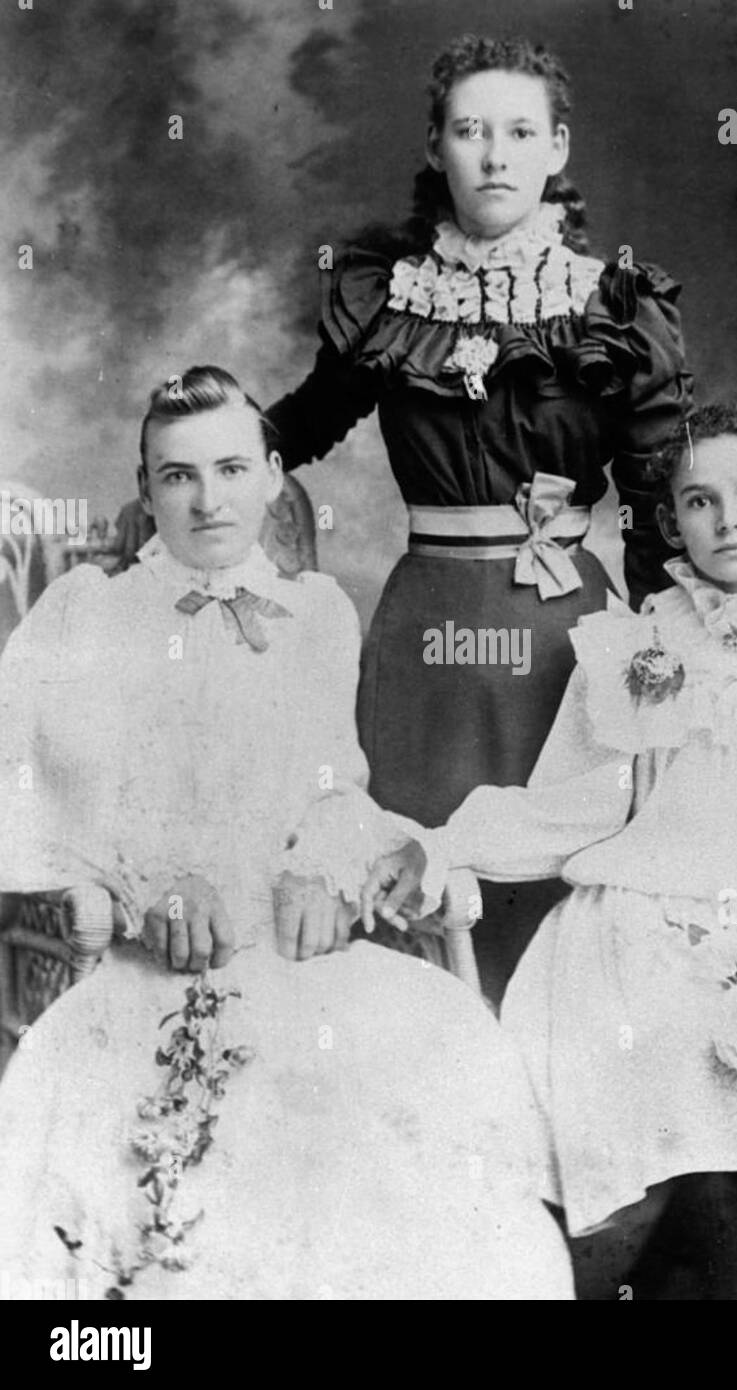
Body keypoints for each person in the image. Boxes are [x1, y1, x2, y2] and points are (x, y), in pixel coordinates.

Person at [117, 34, 692, 1004]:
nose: (495, 155)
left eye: (519, 131)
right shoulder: (391, 293)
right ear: (436, 147)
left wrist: (664, 658)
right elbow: (300, 423)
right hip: (423, 637)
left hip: (568, 643)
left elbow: (658, 502)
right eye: (471, 130)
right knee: (409, 902)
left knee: (555, 911)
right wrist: (187, 482)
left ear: (558, 148)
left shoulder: (612, 305)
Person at [0, 367, 574, 1301]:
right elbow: (31, 794)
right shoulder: (91, 616)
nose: (206, 497)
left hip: (300, 951)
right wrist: (145, 890)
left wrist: (332, 870)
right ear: (147, 493)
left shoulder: (317, 615)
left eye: (230, 469)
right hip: (159, 962)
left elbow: (333, 789)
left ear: (273, 475)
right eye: (176, 475)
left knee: (395, 1114)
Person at [377, 402, 737, 1298]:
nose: (726, 519)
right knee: (666, 1031)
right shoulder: (638, 645)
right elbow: (581, 805)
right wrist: (448, 845)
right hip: (651, 915)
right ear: (672, 519)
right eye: (699, 500)